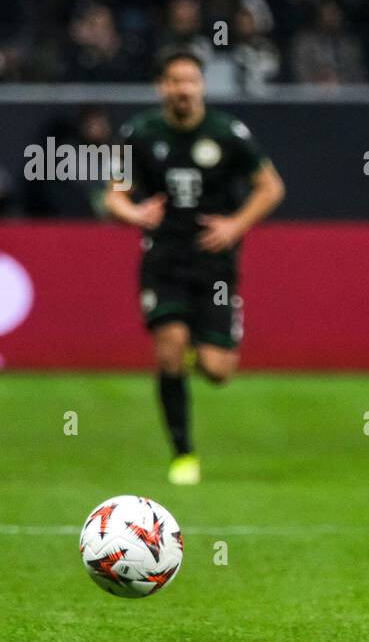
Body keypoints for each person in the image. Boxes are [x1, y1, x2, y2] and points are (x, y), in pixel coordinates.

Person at [103, 48, 284, 485]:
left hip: (215, 263)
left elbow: (270, 186)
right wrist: (135, 214)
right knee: (168, 349)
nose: (182, 88)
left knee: (218, 370)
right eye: (174, 81)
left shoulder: (226, 133)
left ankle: (193, 347)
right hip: (163, 257)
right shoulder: (141, 133)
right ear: (161, 86)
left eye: (190, 80)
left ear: (201, 86)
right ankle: (183, 454)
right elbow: (113, 194)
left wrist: (236, 225)